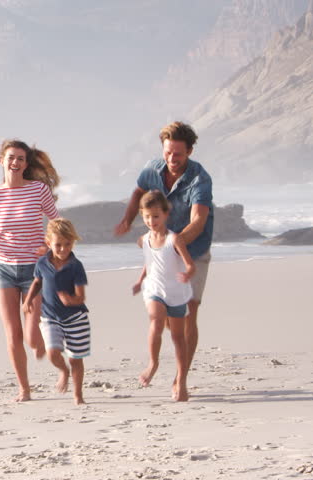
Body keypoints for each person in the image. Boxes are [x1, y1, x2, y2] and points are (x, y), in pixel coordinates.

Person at [114, 121, 212, 386]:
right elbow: (138, 191)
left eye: (178, 154)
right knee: (169, 316)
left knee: (189, 310)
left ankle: (181, 378)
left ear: (190, 151)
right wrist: (128, 218)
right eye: (167, 152)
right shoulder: (153, 169)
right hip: (161, 253)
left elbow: (198, 221)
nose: (171, 159)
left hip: (194, 250)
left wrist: (175, 243)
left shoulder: (199, 180)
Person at [0, 139, 60, 402]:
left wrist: (49, 245)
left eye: (20, 158)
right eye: (11, 158)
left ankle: (40, 340)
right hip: (3, 269)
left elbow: (57, 222)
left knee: (30, 336)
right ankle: (24, 388)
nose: (15, 163)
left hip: (35, 270)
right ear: (1, 161)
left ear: (26, 164)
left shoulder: (38, 190)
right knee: (13, 334)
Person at [132, 190, 195, 401]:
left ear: (166, 214)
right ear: (142, 215)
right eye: (147, 216)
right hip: (154, 289)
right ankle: (153, 363)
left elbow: (190, 265)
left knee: (178, 338)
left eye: (156, 216)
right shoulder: (143, 240)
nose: (152, 221)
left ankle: (182, 383)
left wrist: (187, 274)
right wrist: (140, 281)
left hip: (176, 292)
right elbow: (149, 263)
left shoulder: (174, 239)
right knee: (156, 321)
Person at [22, 218, 90, 405]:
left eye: (68, 244)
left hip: (76, 318)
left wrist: (71, 300)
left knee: (76, 359)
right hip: (50, 317)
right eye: (58, 245)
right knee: (52, 352)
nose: (63, 249)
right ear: (48, 242)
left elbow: (81, 296)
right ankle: (63, 371)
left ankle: (78, 394)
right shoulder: (42, 263)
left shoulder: (76, 266)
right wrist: (28, 300)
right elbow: (37, 282)